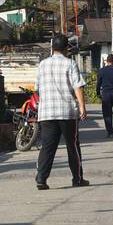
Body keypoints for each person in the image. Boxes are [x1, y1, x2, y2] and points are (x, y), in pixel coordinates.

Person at [34, 33, 90, 190]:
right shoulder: (70, 64)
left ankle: (41, 179)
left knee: (47, 146)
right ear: (66, 49)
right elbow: (77, 85)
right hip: (67, 113)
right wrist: (82, 107)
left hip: (46, 113)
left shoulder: (42, 65)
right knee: (72, 146)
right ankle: (77, 179)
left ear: (52, 48)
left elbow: (37, 88)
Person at [96, 53, 113, 137]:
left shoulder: (101, 71)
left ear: (106, 61)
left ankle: (110, 132)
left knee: (107, 114)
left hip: (106, 95)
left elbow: (98, 83)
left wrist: (98, 93)